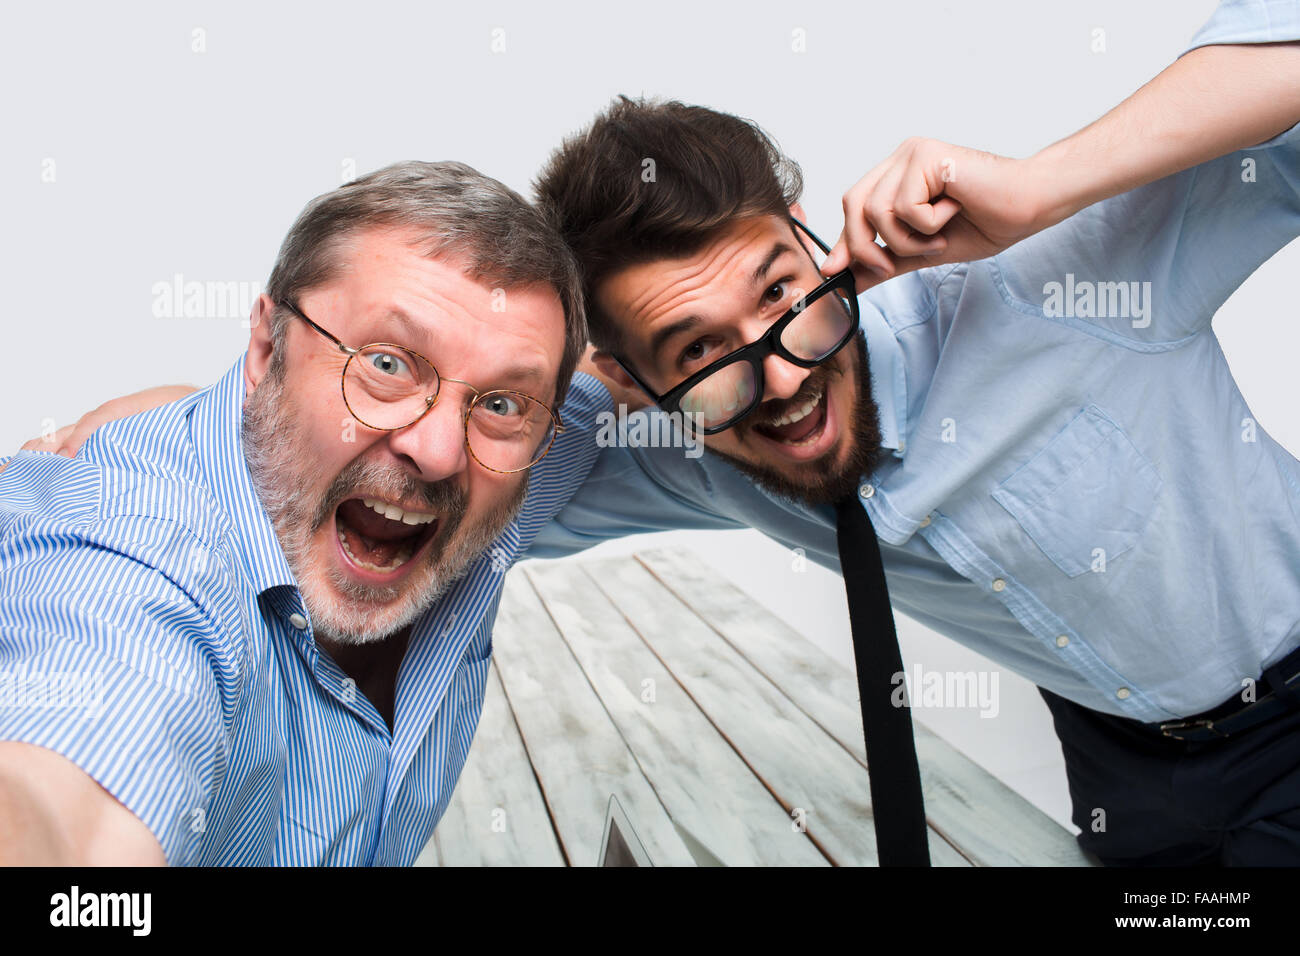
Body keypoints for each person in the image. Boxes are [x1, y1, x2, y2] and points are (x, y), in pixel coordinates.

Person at [34, 0, 1300, 866]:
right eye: (701, 362)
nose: (785, 383)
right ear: (623, 385)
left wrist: (1047, 180)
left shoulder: (1049, 277)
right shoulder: (618, 446)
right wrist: (187, 416)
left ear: (806, 234)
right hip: (1128, 769)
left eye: (783, 298)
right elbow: (419, 445)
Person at [0, 161, 610, 865]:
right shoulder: (137, 547)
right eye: (387, 364)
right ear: (266, 347)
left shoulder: (518, 461)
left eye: (501, 403)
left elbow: (659, 375)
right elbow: (65, 803)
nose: (440, 451)